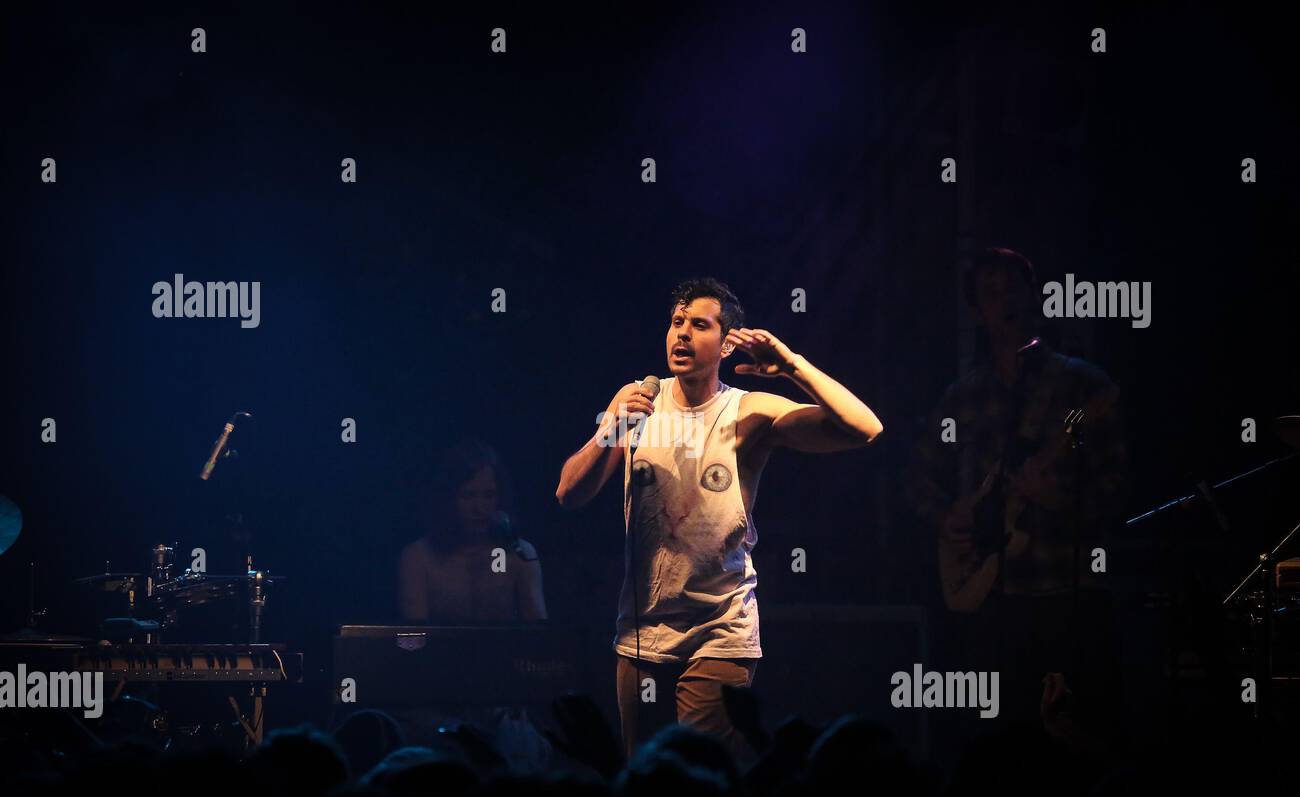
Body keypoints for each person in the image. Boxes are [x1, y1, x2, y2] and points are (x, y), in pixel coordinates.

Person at [556, 277, 884, 763]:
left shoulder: (746, 411)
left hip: (718, 629)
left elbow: (864, 428)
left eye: (700, 325)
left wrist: (792, 366)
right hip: (642, 632)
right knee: (644, 782)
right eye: (676, 322)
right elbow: (569, 493)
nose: (682, 334)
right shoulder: (639, 401)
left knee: (699, 778)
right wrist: (610, 429)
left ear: (728, 342)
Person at [908, 247, 1127, 742]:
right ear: (976, 312)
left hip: (1067, 593)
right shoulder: (962, 396)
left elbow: (1116, 491)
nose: (1004, 301)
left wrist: (1060, 498)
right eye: (991, 293)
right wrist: (947, 519)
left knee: (1074, 736)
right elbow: (920, 477)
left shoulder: (1082, 388)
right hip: (991, 597)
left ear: (1035, 298)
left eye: (1014, 289)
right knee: (998, 740)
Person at [399, 440, 546, 623]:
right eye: (468, 496)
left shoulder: (520, 555)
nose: (480, 508)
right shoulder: (419, 558)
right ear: (449, 499)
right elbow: (415, 637)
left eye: (489, 496)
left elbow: (538, 634)